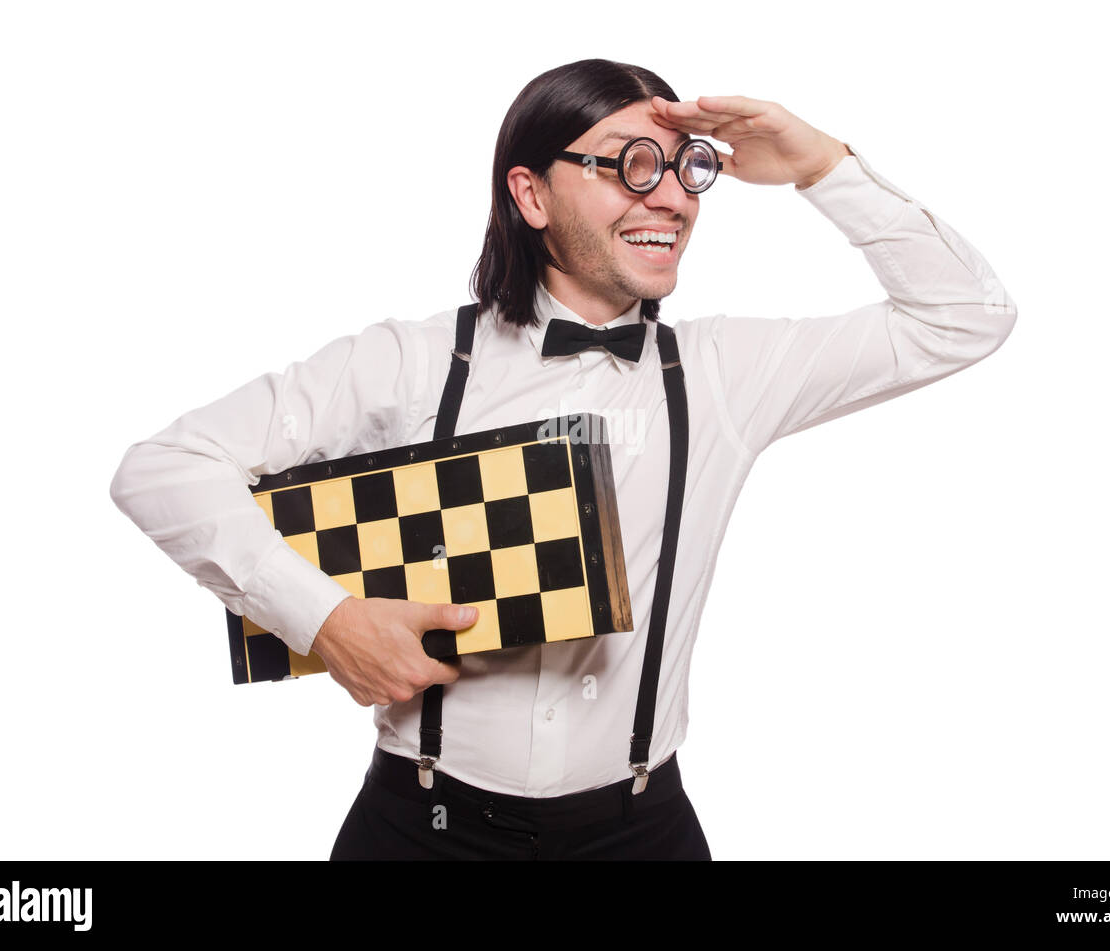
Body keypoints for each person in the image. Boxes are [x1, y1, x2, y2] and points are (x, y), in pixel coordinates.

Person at [110, 58, 1017, 860]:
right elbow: (165, 467)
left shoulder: (727, 373)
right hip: (418, 827)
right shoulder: (412, 360)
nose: (670, 196)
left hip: (640, 829)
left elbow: (965, 316)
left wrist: (823, 163)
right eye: (629, 162)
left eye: (684, 166)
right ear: (533, 194)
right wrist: (326, 618)